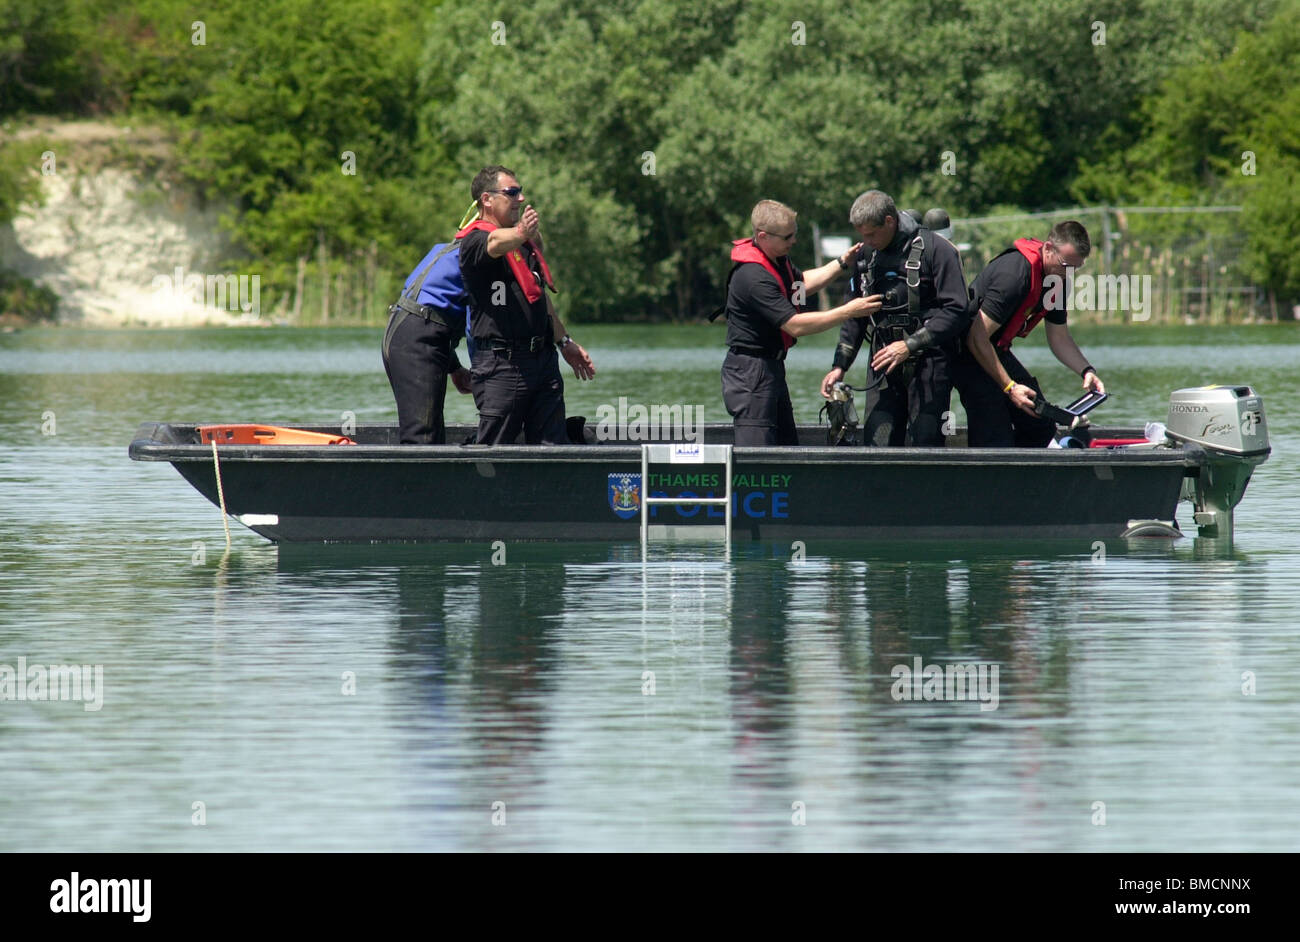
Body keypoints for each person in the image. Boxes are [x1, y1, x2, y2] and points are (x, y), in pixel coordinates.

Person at [720, 199, 880, 446]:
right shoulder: (753, 277)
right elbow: (795, 325)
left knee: (786, 446)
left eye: (795, 234)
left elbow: (801, 285)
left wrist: (841, 264)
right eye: (787, 237)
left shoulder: (776, 259)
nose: (793, 241)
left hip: (771, 368)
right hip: (750, 372)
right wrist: (849, 311)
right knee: (757, 453)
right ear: (763, 236)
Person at [456, 165, 595, 445]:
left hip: (542, 362)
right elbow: (495, 242)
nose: (520, 198)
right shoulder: (475, 240)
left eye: (521, 192)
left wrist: (564, 342)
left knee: (552, 447)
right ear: (487, 200)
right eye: (512, 192)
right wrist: (522, 232)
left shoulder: (523, 244)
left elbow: (539, 299)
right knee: (494, 452)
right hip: (501, 365)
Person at [819, 190, 970, 446]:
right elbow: (855, 316)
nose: (865, 241)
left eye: (871, 234)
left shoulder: (937, 250)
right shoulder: (866, 256)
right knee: (877, 442)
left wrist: (909, 345)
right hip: (883, 361)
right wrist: (839, 366)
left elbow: (957, 310)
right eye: (861, 234)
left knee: (926, 441)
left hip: (929, 364)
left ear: (889, 221)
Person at [953, 220, 1106, 447]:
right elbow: (976, 337)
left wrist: (1086, 370)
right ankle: (992, 469)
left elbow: (1059, 337)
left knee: (1041, 425)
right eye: (1065, 264)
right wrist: (1009, 387)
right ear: (1047, 248)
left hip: (996, 350)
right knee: (994, 434)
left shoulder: (1058, 282)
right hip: (966, 352)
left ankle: (1022, 473)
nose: (1068, 273)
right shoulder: (1014, 276)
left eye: (1076, 268)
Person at [382, 238, 474, 444]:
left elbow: (432, 312)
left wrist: (455, 367)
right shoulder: (481, 252)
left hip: (404, 328)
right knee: (421, 439)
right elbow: (476, 325)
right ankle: (415, 477)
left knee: (430, 434)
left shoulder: (447, 248)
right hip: (415, 338)